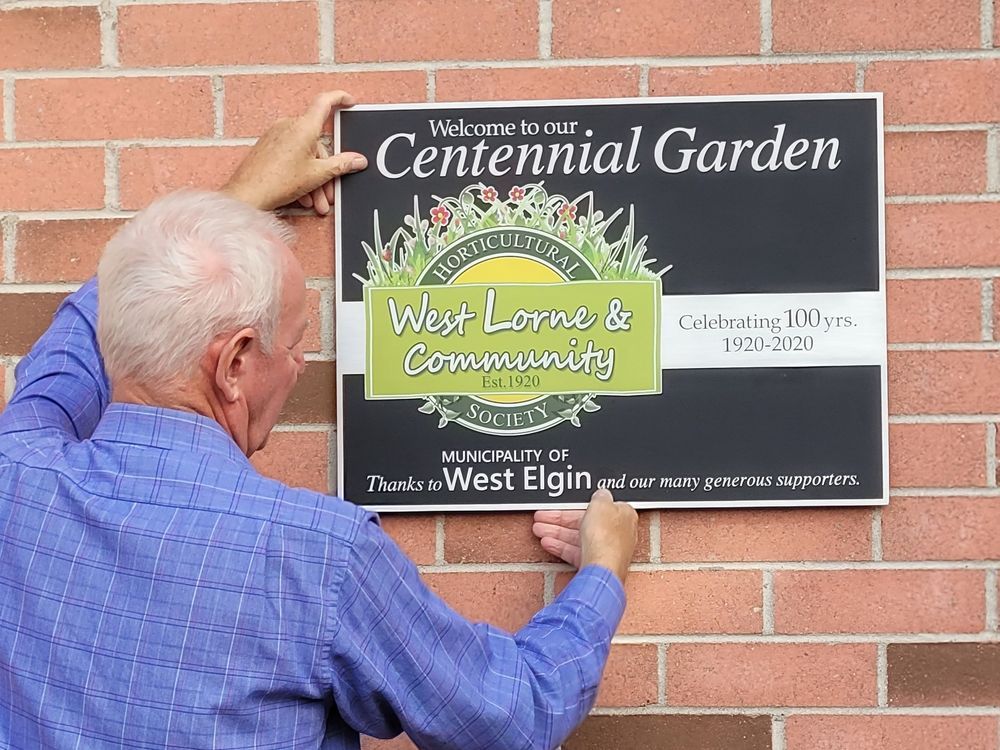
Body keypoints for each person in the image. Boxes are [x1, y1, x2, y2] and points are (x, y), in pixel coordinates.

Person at [0, 91, 638, 750]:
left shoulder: (14, 478)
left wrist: (234, 203)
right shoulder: (319, 556)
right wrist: (603, 572)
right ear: (236, 364)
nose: (302, 361)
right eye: (296, 340)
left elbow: (74, 347)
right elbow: (512, 716)